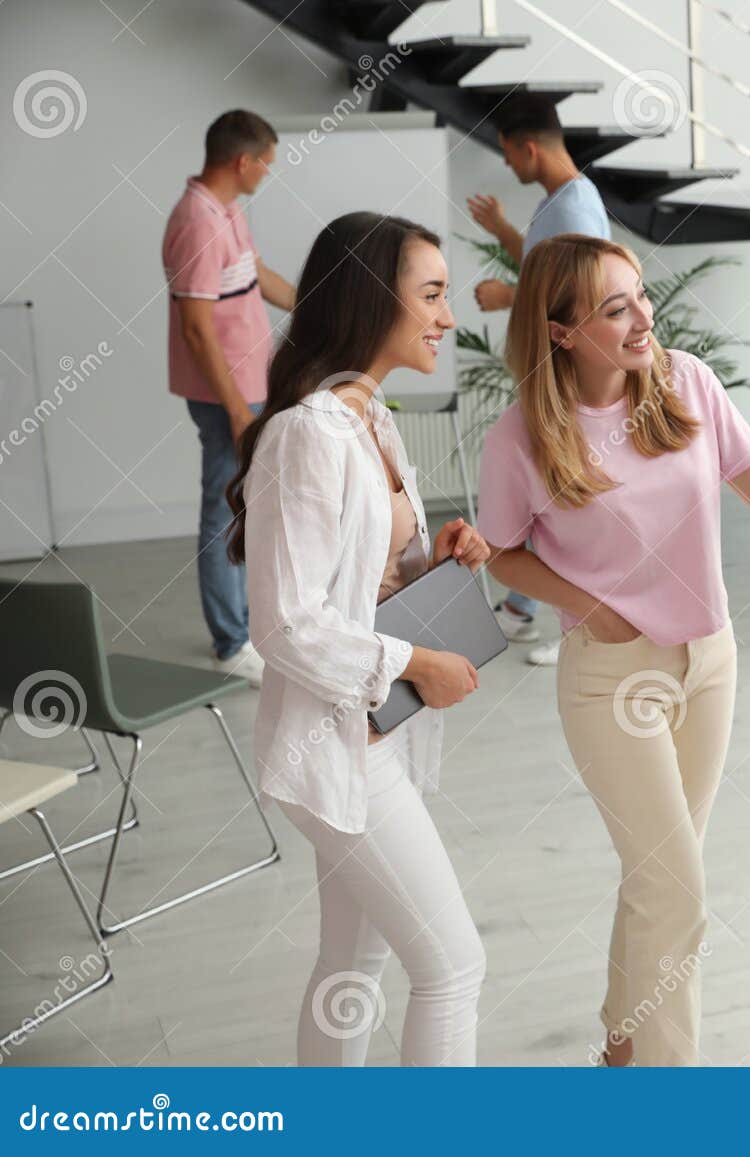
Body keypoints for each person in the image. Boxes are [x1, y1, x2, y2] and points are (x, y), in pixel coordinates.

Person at [476, 234, 750, 1066]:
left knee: (661, 876)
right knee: (675, 885)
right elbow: (500, 552)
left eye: (641, 295)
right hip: (612, 678)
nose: (643, 317)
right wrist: (587, 606)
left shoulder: (687, 383)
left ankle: (622, 1042)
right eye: (615, 308)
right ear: (561, 332)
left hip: (711, 662)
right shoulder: (520, 438)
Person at [226, 213, 490, 1066]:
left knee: (353, 959)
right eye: (433, 294)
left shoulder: (370, 421)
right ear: (374, 301)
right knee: (453, 967)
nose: (448, 316)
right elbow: (287, 622)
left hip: (370, 728)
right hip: (336, 739)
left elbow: (362, 584)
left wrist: (432, 562)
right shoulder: (308, 433)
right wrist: (416, 660)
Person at [468, 93, 611, 666]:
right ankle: (525, 608)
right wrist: (504, 229)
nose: (506, 165)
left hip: (568, 376)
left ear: (528, 147)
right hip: (552, 374)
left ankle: (574, 621)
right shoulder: (562, 202)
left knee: (565, 499)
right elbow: (544, 266)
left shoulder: (574, 210)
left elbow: (585, 296)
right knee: (545, 490)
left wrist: (508, 295)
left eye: (507, 154)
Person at [163, 109, 296, 686]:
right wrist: (240, 411)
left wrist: (318, 308)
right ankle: (230, 641)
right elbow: (196, 329)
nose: (268, 171)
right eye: (266, 162)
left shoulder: (227, 210)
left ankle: (249, 626)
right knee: (224, 515)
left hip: (252, 387)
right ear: (244, 161)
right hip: (227, 400)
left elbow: (257, 273)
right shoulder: (197, 222)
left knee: (250, 509)